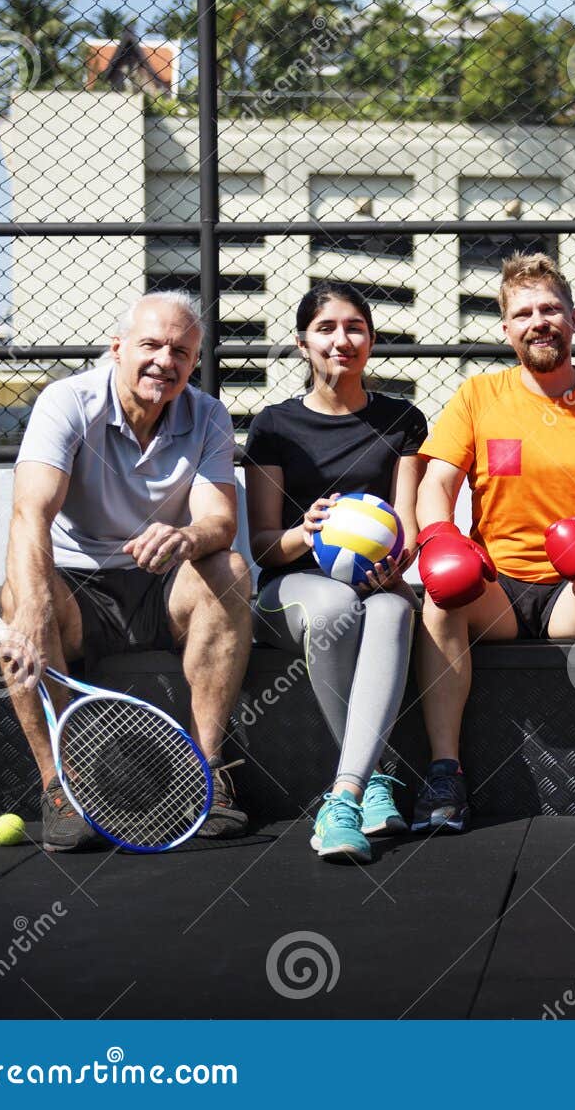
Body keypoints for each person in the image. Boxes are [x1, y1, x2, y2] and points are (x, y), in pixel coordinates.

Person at [0, 290, 251, 851]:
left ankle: (208, 775)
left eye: (181, 352)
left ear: (194, 362)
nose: (165, 361)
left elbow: (220, 521)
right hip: (80, 588)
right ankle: (60, 786)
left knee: (229, 570)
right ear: (117, 348)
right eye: (151, 345)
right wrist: (33, 611)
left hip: (161, 586)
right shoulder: (66, 401)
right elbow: (30, 513)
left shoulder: (208, 414)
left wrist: (186, 537)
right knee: (19, 597)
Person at [413, 253, 575, 833]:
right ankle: (445, 775)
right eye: (523, 314)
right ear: (506, 329)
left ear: (574, 319)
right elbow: (436, 484)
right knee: (438, 598)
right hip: (495, 588)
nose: (538, 322)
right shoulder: (478, 395)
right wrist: (440, 538)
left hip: (573, 590)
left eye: (550, 309)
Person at [244, 283, 424, 864]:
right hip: (290, 591)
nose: (341, 340)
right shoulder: (273, 425)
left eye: (355, 328)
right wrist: (306, 532)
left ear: (370, 341)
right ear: (303, 344)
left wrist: (394, 566)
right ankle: (373, 780)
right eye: (326, 328)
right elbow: (264, 547)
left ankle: (346, 795)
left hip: (374, 585)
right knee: (335, 607)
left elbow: (408, 527)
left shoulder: (402, 420)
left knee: (393, 610)